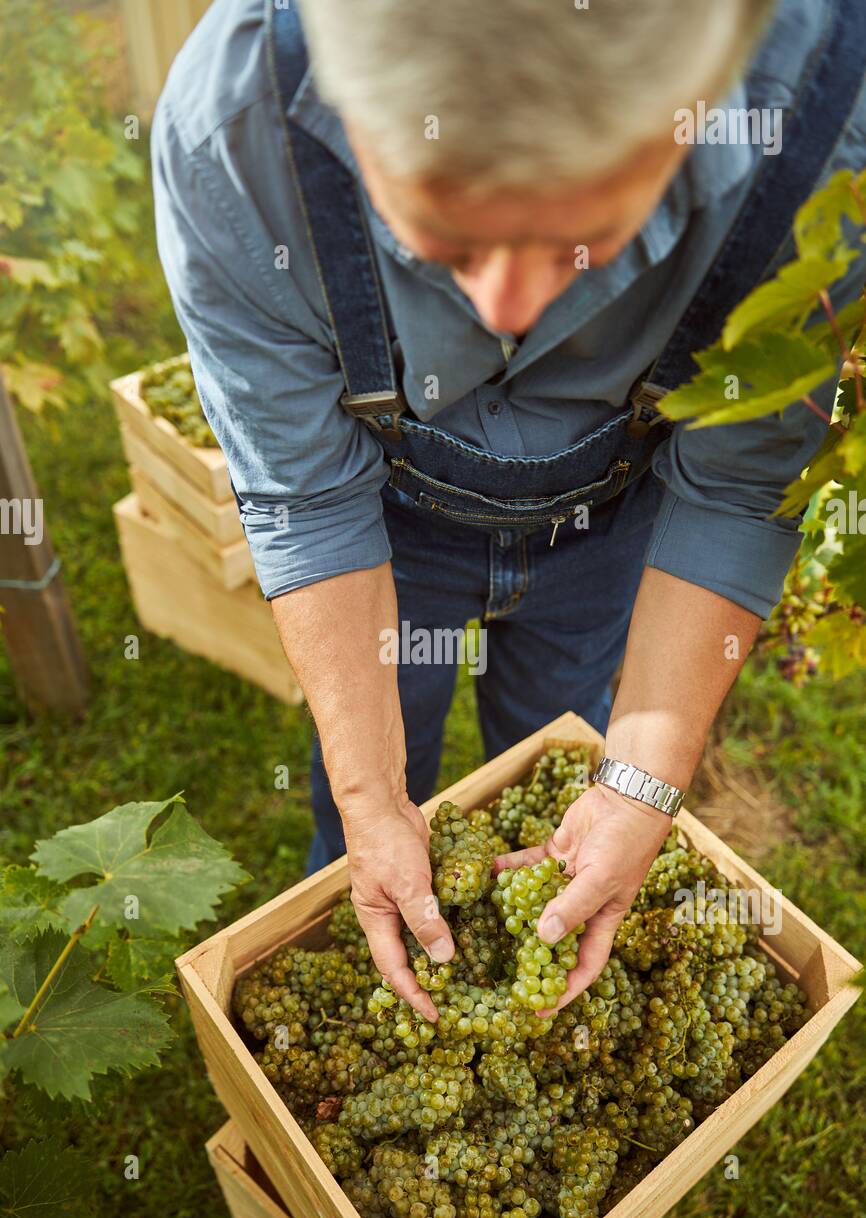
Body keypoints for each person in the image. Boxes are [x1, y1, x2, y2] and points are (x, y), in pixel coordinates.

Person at [152, 0, 866, 1022]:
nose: (502, 310)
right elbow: (308, 497)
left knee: (551, 724)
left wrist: (639, 787)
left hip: (609, 533)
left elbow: (736, 485)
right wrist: (369, 802)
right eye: (441, 236)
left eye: (581, 239)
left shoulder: (823, 130)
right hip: (385, 541)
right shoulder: (234, 135)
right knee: (363, 774)